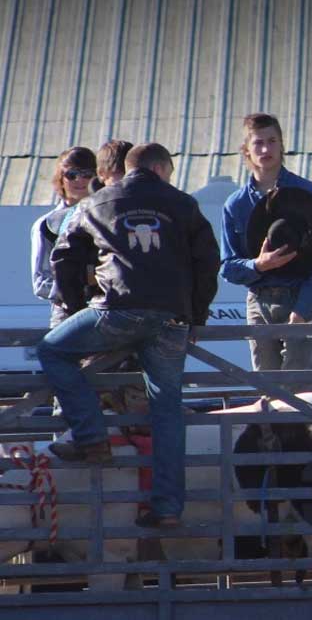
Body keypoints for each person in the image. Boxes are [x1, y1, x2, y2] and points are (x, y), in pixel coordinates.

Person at [38, 143, 221, 529]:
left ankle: (90, 434)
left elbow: (63, 259)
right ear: (159, 168)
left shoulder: (95, 202)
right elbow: (208, 262)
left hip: (116, 311)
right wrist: (196, 317)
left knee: (53, 351)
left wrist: (76, 310)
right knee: (166, 408)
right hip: (172, 318)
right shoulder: (183, 203)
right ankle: (168, 507)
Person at [219, 113, 312, 373]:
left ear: (282, 145)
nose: (265, 149)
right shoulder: (235, 205)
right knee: (266, 384)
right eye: (258, 143)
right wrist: (258, 265)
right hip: (258, 299)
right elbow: (228, 267)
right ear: (246, 151)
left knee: (298, 387)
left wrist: (303, 310)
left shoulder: (306, 191)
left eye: (272, 141)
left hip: (299, 292)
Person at [30, 148, 98, 327]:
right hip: (66, 315)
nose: (80, 180)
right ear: (60, 178)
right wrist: (75, 284)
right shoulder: (46, 224)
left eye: (87, 174)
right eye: (72, 174)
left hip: (107, 312)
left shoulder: (108, 218)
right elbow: (40, 282)